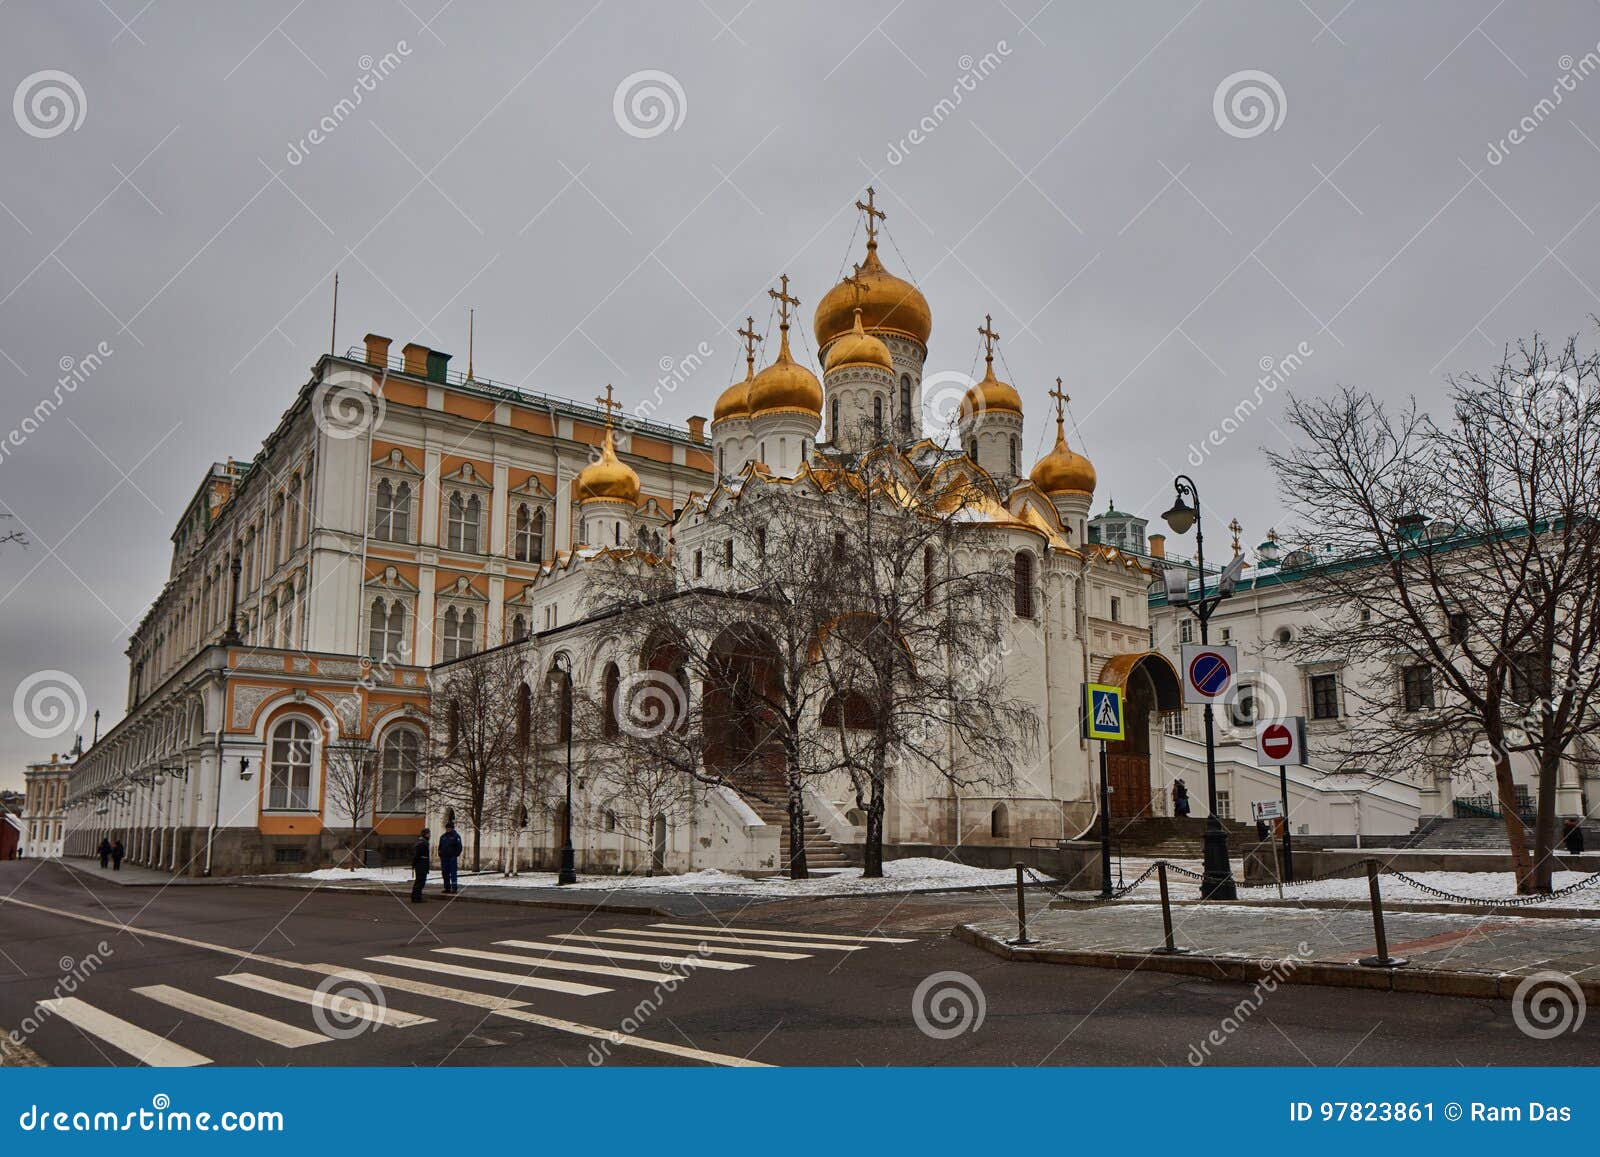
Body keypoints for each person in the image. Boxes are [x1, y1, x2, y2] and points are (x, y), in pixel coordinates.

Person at [438, 822, 462, 895]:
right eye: (447, 828)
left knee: (453, 873)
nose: (448, 829)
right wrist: (440, 854)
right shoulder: (443, 837)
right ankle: (447, 887)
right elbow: (440, 846)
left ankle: (454, 888)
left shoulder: (456, 836)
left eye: (449, 828)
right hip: (444, 857)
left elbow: (459, 847)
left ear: (452, 828)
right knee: (445, 872)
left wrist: (455, 855)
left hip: (452, 857)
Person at [410, 828, 431, 902]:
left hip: (421, 864)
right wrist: (415, 864)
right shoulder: (422, 843)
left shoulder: (420, 842)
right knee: (420, 881)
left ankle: (416, 896)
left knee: (419, 881)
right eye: (428, 834)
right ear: (425, 834)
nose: (429, 835)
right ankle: (416, 897)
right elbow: (418, 855)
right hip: (421, 864)